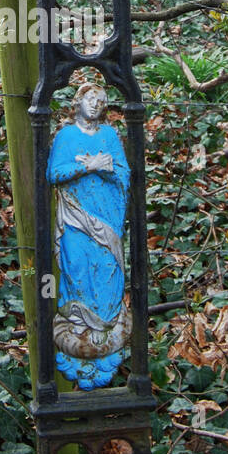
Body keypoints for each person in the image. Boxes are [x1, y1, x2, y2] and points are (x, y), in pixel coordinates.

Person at [47, 83, 131, 389]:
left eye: (102, 101)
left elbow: (124, 173)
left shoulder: (109, 136)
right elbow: (53, 174)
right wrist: (85, 168)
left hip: (106, 217)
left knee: (107, 269)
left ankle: (105, 321)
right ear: (78, 101)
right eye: (90, 99)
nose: (96, 105)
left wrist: (104, 167)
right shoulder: (66, 136)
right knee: (76, 267)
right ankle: (79, 321)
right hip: (74, 216)